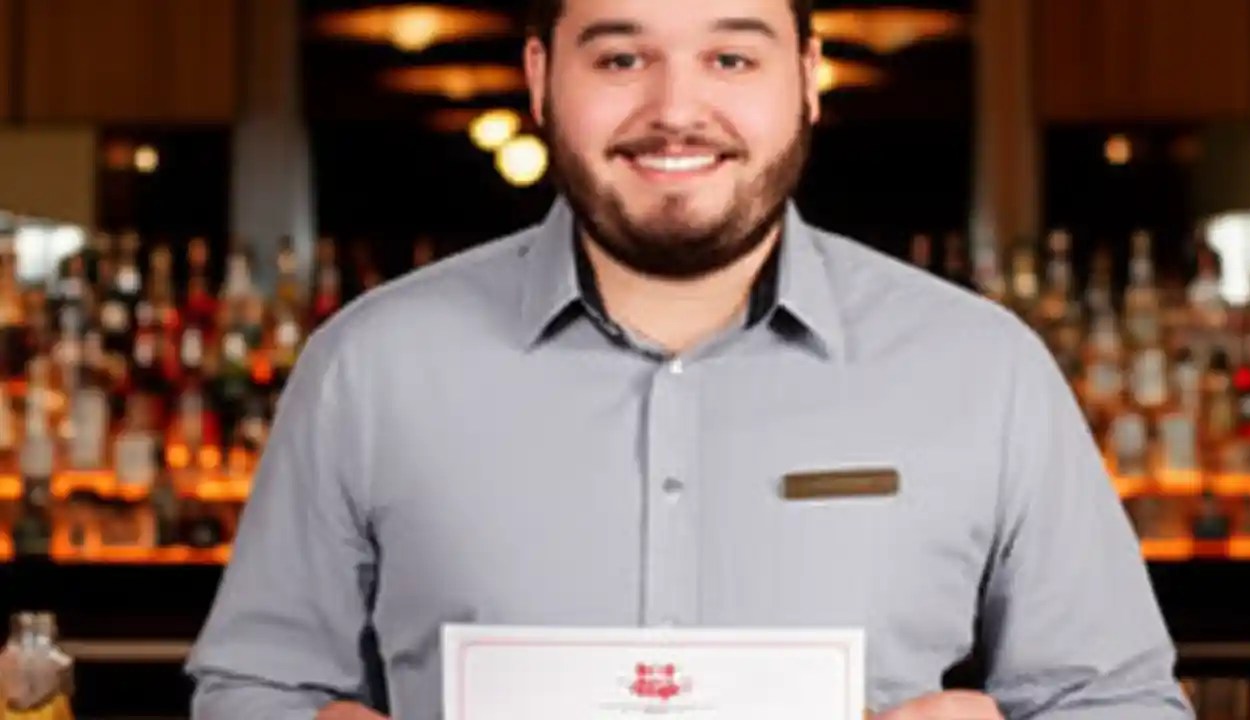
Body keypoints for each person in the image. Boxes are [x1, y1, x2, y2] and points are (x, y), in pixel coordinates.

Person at [185, 0, 1194, 718]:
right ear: (541, 78)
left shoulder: (984, 370)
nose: (675, 110)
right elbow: (254, 686)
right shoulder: (368, 366)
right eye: (620, 58)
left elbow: (1115, 701)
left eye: (731, 58)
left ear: (807, 76)